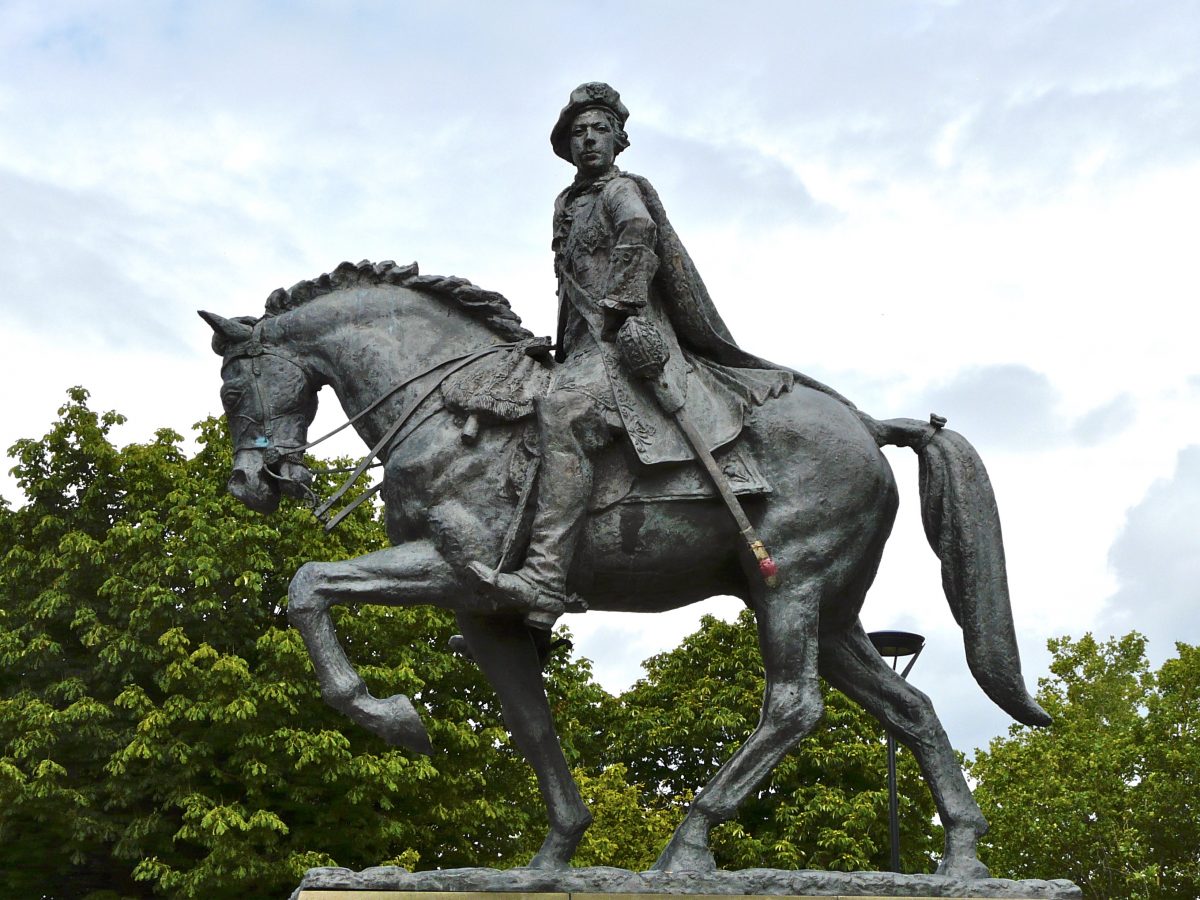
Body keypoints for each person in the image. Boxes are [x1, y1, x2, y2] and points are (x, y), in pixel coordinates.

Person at [469, 82, 795, 627]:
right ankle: (511, 572)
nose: (588, 140)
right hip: (579, 350)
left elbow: (639, 230)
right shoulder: (567, 203)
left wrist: (623, 304)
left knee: (563, 414)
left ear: (620, 139)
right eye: (577, 133)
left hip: (624, 346)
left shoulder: (622, 190)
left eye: (599, 130)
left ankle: (545, 578)